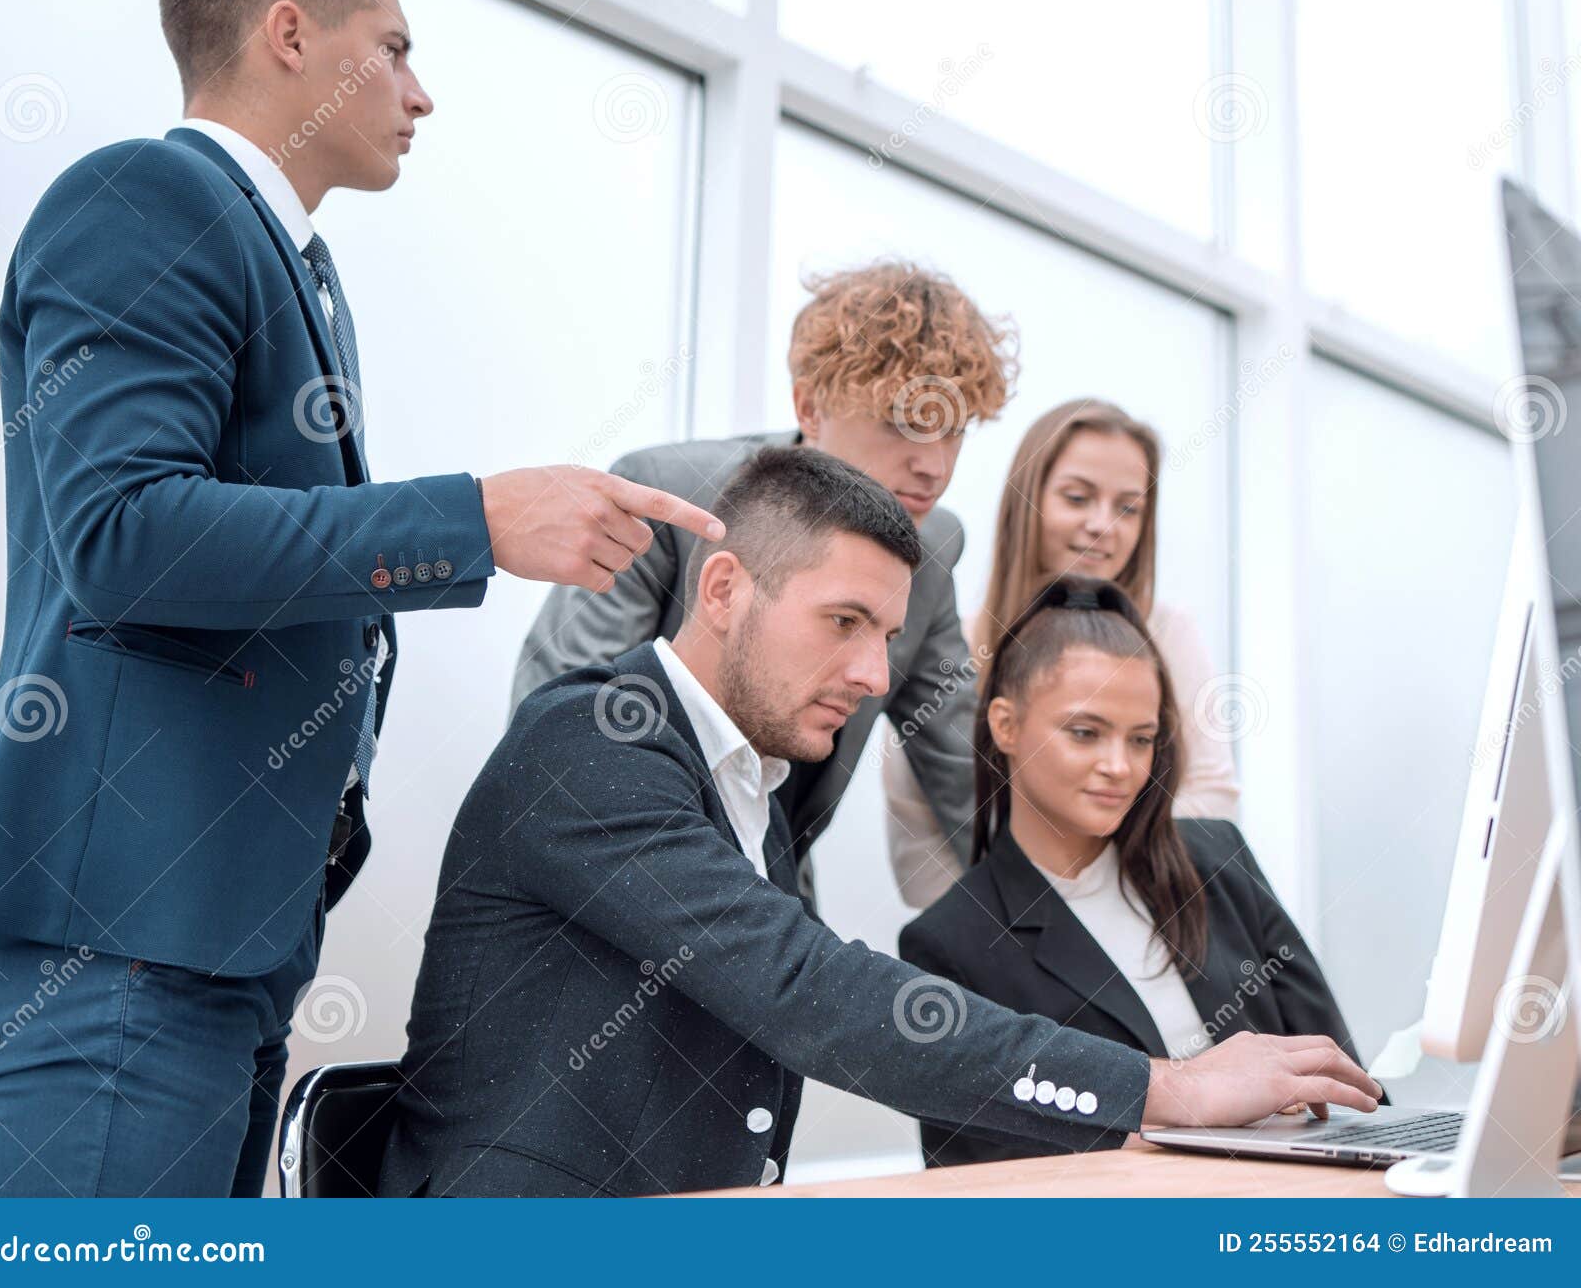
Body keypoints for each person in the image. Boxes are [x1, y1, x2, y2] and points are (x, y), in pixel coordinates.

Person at [0, 0, 719, 1198]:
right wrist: (474, 519)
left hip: (226, 948)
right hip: (122, 938)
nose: (420, 94)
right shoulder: (148, 196)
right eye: (394, 49)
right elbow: (122, 533)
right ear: (288, 35)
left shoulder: (300, 269)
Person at [382, 449, 1380, 1197]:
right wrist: (1164, 1089)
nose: (873, 676)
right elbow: (806, 989)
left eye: (889, 637)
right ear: (723, 589)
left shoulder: (749, 788)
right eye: (844, 622)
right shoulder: (588, 745)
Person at [511, 261, 1018, 896]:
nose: (934, 467)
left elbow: (962, 768)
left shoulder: (933, 548)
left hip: (780, 888)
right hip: (616, 878)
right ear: (810, 405)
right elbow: (558, 723)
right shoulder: (668, 496)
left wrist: (1057, 912)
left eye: (955, 429)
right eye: (902, 422)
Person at [899, 577, 1372, 1169]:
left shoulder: (1217, 859)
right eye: (1085, 733)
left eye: (1141, 739)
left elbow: (1346, 1082)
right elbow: (981, 1181)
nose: (1120, 766)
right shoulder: (951, 943)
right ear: (1005, 725)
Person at [884, 397, 1239, 907]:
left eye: (1128, 508)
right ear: (1026, 502)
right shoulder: (951, 648)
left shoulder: (1168, 633)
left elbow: (1214, 802)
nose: (1103, 525)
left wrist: (1093, 899)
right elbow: (919, 854)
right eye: (1077, 498)